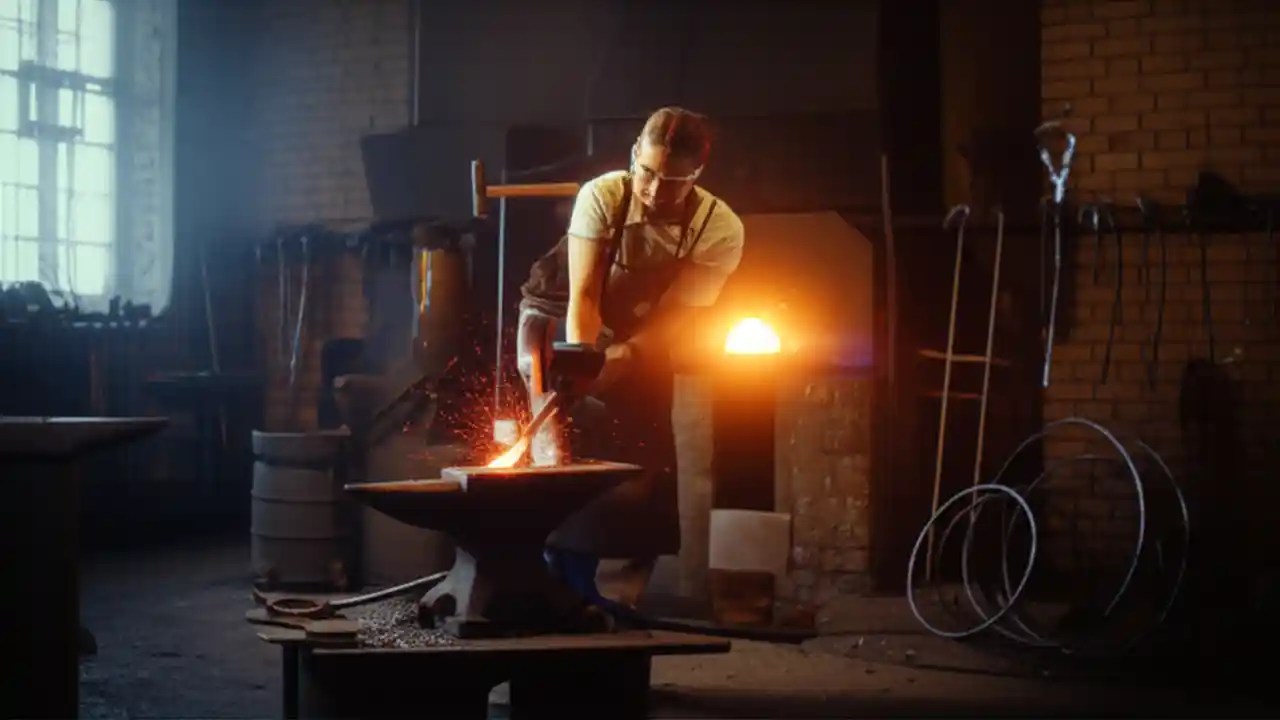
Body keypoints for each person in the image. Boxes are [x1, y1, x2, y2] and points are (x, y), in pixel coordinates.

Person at [516, 106, 745, 609]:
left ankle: (615, 604)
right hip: (561, 315)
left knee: (646, 457)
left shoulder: (719, 228)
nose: (654, 190)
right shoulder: (601, 195)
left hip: (645, 331)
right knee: (564, 438)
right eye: (647, 172)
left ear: (697, 176)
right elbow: (584, 295)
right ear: (635, 154)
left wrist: (631, 354)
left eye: (673, 181)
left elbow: (679, 316)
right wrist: (585, 363)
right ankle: (552, 586)